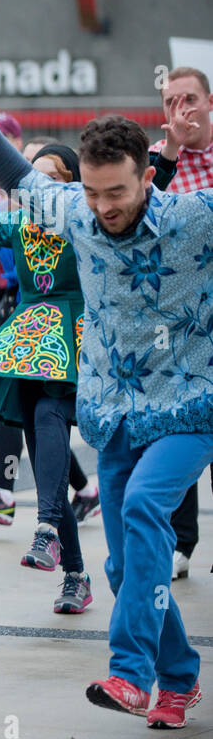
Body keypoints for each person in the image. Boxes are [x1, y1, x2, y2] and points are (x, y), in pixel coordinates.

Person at [0, 82, 212, 730]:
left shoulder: (194, 217)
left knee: (144, 506)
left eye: (116, 193)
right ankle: (181, 675)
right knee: (124, 568)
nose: (102, 207)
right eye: (93, 193)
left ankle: (131, 672)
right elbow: (16, 177)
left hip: (188, 404)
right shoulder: (74, 211)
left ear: (147, 177)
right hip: (114, 411)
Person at [0, 144, 92, 613]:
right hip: (27, 340)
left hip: (72, 338)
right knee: (44, 453)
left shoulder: (86, 220)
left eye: (49, 177)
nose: (36, 186)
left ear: (74, 185)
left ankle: (48, 528)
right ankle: (74, 572)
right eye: (30, 176)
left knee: (51, 418)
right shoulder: (18, 224)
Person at [150, 67, 213, 581]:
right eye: (171, 101)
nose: (181, 110)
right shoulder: (156, 157)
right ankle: (181, 543)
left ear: (209, 102)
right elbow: (141, 216)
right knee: (182, 423)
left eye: (189, 98)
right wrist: (169, 150)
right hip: (179, 315)